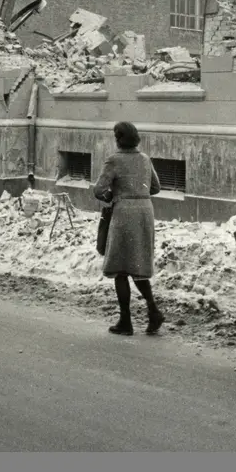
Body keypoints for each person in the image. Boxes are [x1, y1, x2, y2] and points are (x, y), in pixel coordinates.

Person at [92, 121, 164, 337]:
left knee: (120, 268)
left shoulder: (114, 160)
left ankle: (126, 321)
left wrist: (112, 197)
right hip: (145, 212)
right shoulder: (144, 159)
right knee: (138, 264)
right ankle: (153, 311)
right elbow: (156, 187)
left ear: (118, 138)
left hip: (124, 213)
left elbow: (98, 190)